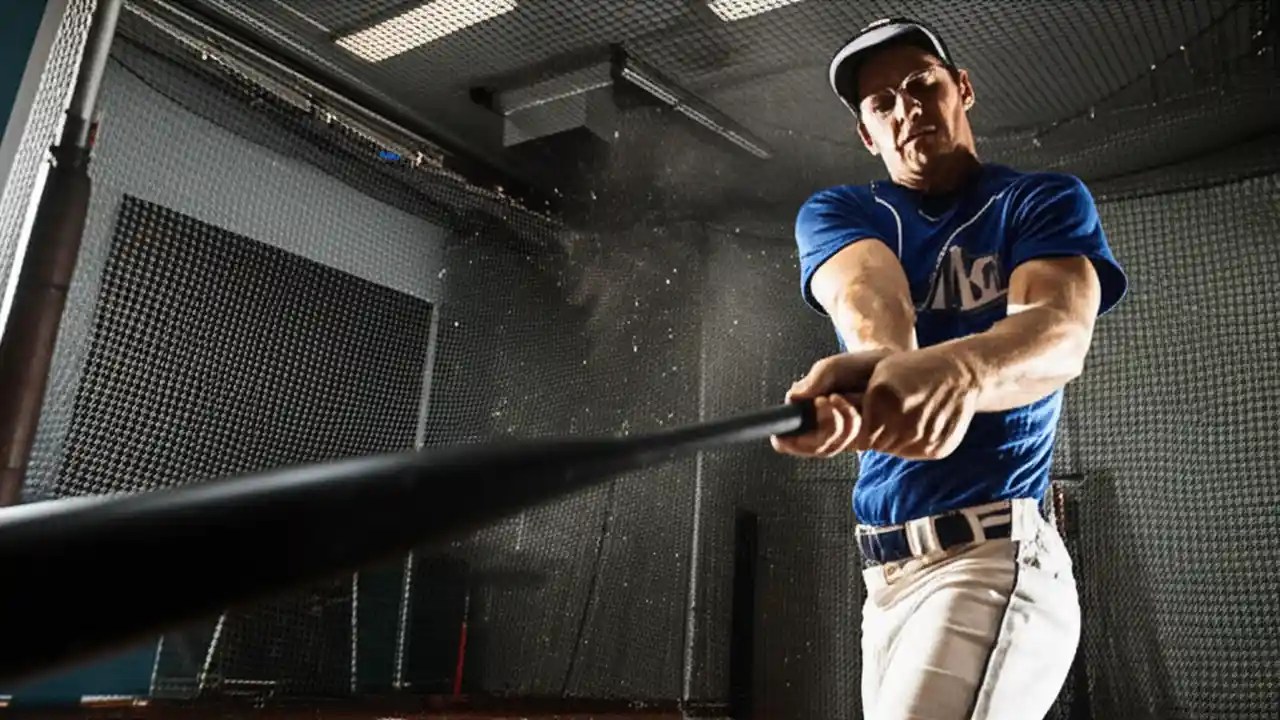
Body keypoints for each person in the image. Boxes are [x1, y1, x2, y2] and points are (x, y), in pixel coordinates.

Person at [770, 17, 1128, 720]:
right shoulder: (841, 210)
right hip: (885, 582)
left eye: (920, 85)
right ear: (868, 135)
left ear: (960, 89)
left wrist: (957, 373)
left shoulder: (1040, 200)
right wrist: (877, 370)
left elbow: (1057, 332)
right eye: (882, 105)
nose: (905, 109)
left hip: (994, 559)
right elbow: (868, 299)